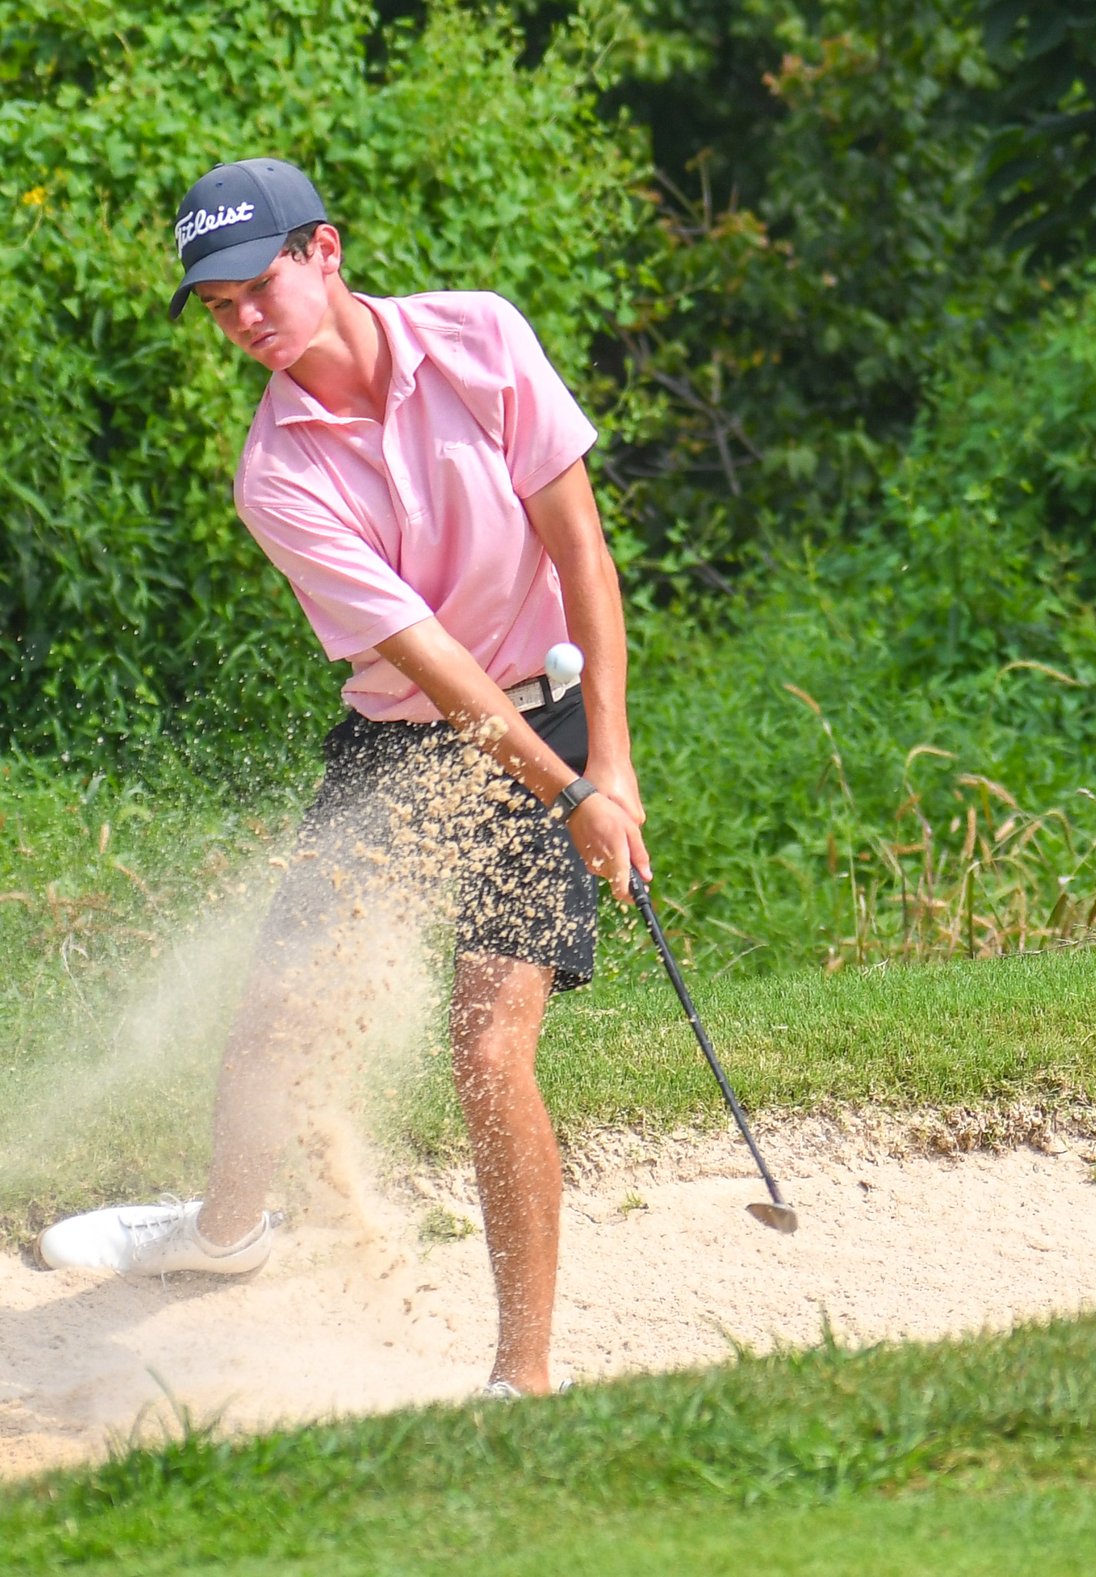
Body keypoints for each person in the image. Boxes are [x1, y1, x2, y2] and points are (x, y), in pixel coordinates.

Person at [36, 157, 651, 1399]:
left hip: (552, 708)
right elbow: (432, 666)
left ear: (324, 250)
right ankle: (226, 1232)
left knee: (491, 1048)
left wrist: (611, 762)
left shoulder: (482, 337)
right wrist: (570, 792)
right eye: (217, 307)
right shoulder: (277, 476)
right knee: (276, 1009)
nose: (244, 322)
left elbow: (579, 544)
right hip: (411, 738)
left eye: (257, 285)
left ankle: (520, 1379)